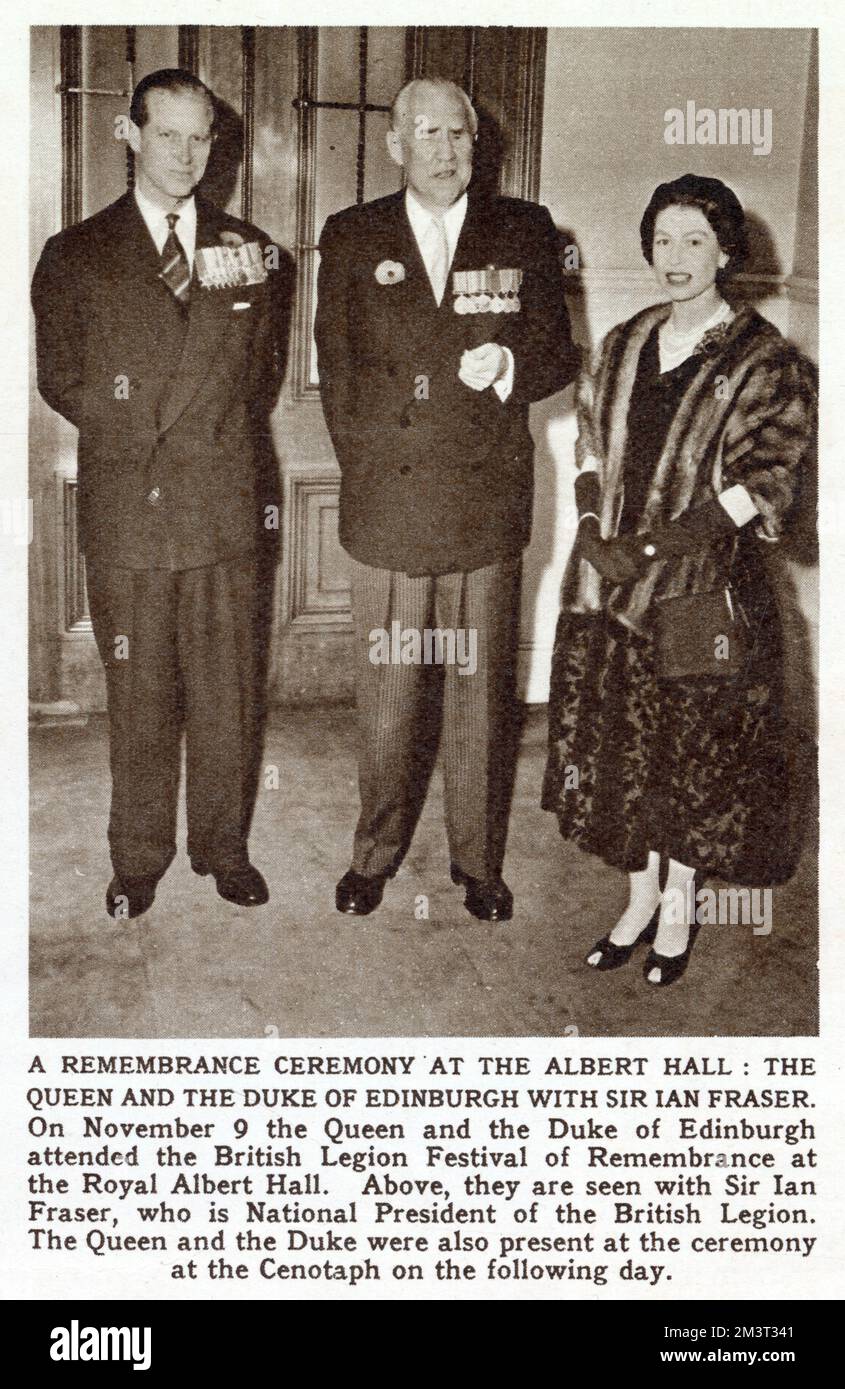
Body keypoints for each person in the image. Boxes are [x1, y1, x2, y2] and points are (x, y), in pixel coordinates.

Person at [542, 173, 816, 985]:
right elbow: (590, 446)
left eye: (694, 240)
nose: (675, 257)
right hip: (607, 589)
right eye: (662, 240)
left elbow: (760, 485)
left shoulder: (761, 360)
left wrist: (653, 549)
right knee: (620, 747)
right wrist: (593, 526)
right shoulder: (627, 340)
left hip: (697, 593)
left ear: (726, 250)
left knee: (685, 757)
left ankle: (676, 908)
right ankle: (635, 899)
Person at [316, 77, 578, 921]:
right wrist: (368, 469)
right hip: (388, 505)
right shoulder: (353, 235)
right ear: (394, 145)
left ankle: (479, 863)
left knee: (478, 698)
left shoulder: (525, 230)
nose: (445, 150)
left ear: (478, 142)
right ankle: (374, 854)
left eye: (458, 134)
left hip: (482, 504)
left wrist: (506, 370)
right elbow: (339, 373)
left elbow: (558, 357)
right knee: (390, 699)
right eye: (426, 134)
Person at [32, 69, 282, 919]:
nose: (186, 155)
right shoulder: (76, 252)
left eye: (201, 137)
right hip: (128, 507)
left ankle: (225, 849)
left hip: (221, 505)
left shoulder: (252, 251)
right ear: (128, 134)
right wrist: (143, 418)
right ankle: (137, 857)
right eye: (167, 134)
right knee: (138, 696)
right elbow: (60, 378)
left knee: (226, 695)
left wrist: (203, 441)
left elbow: (261, 379)